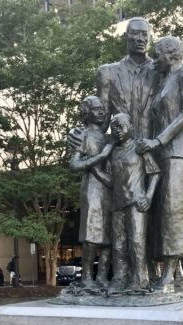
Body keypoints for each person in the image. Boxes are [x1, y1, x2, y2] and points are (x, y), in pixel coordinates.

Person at [137, 36, 183, 292]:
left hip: (178, 152)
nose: (154, 60)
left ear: (170, 54)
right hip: (162, 154)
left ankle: (169, 276)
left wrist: (157, 141)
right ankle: (179, 275)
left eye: (157, 54)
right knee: (161, 214)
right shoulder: (162, 81)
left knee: (174, 211)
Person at [104, 113, 161, 292]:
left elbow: (155, 172)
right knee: (119, 244)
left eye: (121, 126)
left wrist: (149, 197)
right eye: (114, 128)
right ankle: (120, 278)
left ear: (131, 126)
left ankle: (140, 280)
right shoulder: (111, 152)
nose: (117, 131)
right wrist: (90, 167)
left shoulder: (139, 147)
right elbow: (110, 180)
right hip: (117, 204)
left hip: (137, 203)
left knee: (136, 241)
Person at [69, 96, 114, 289]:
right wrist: (98, 159)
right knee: (91, 234)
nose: (101, 112)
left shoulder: (111, 137)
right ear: (87, 113)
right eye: (96, 109)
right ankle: (87, 277)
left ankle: (102, 276)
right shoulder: (83, 135)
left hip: (110, 188)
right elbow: (74, 164)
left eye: (102, 109)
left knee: (109, 236)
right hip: (92, 188)